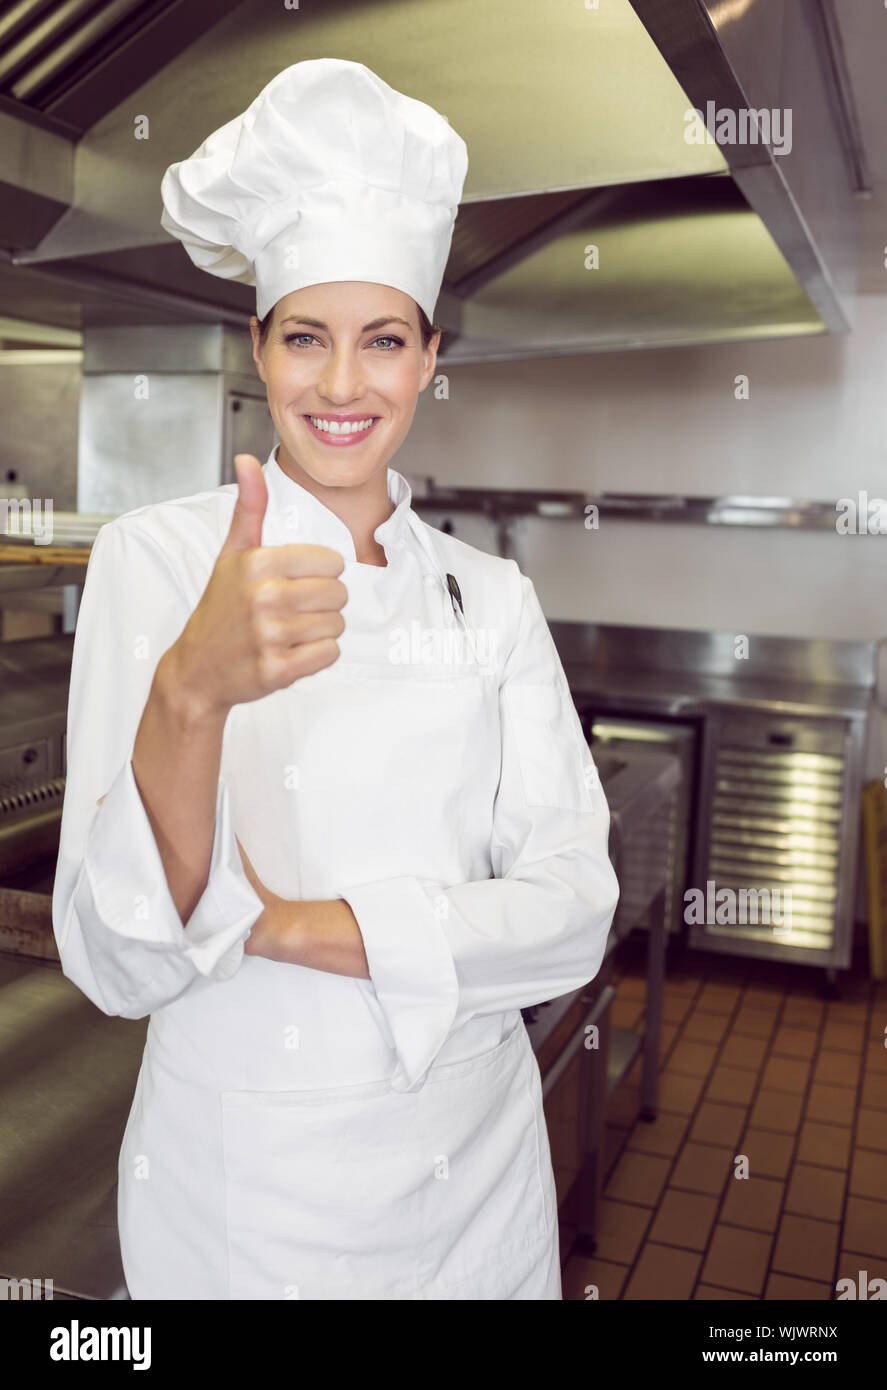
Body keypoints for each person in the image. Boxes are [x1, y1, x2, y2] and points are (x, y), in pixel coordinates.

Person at [52, 58, 620, 1301]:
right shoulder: (156, 561)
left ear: (427, 359)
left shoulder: (491, 598)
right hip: (243, 1201)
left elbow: (575, 909)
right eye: (305, 337)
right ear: (257, 348)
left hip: (473, 1185)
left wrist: (295, 927)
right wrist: (188, 697)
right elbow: (116, 964)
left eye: (383, 341)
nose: (343, 384)